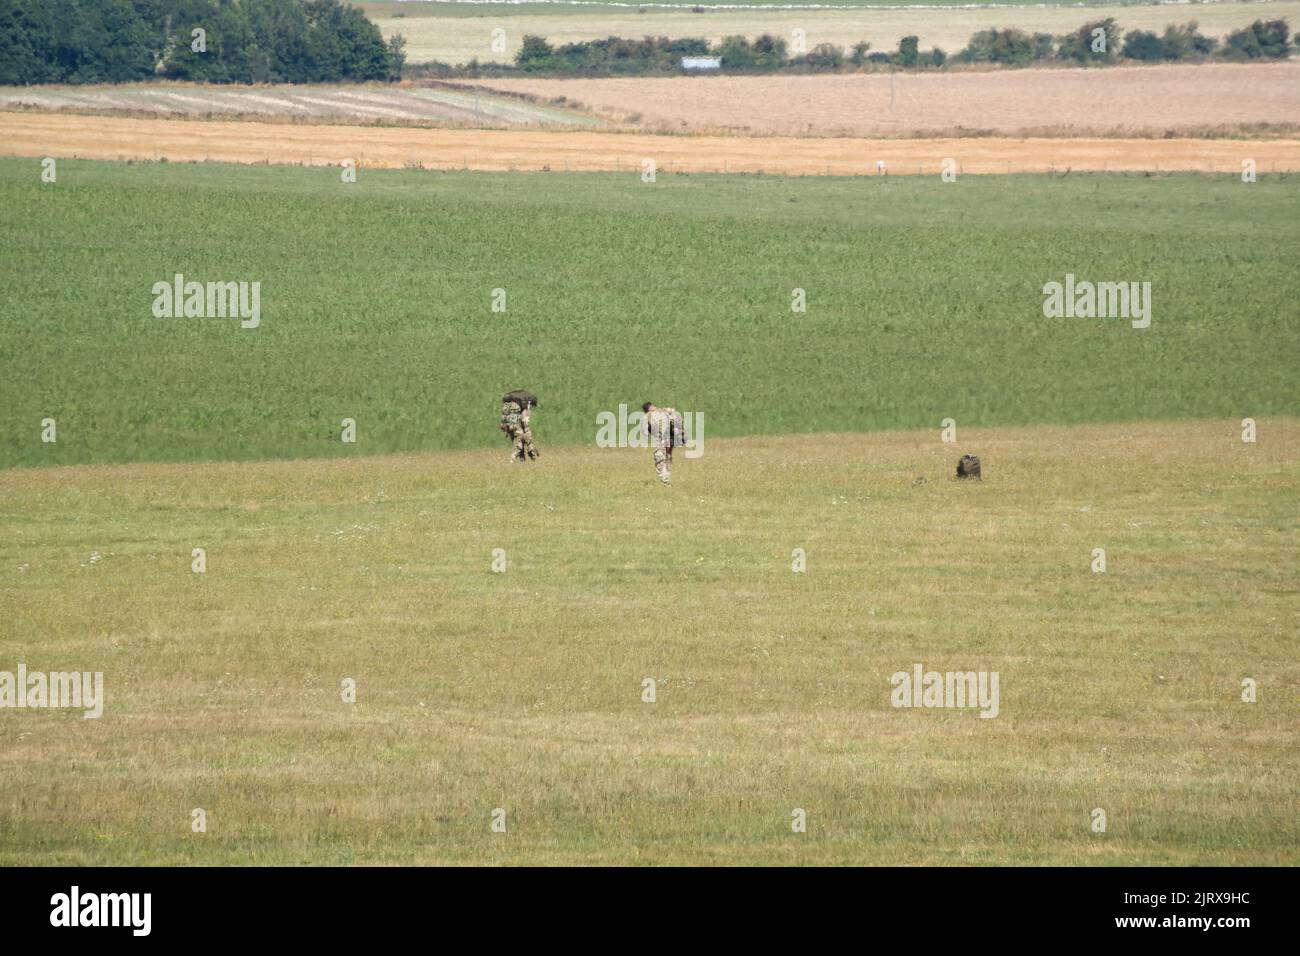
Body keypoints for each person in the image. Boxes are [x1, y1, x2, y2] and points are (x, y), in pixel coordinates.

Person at [641, 402, 683, 485]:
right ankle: (667, 476)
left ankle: (665, 481)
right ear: (651, 407)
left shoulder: (649, 415)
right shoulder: (664, 410)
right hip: (671, 437)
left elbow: (646, 430)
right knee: (668, 455)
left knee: (659, 457)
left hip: (662, 438)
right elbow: (674, 412)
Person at [500, 396, 539, 462]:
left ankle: (522, 459)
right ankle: (514, 460)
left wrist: (506, 432)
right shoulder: (518, 413)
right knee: (521, 446)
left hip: (513, 431)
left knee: (519, 445)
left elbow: (503, 425)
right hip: (519, 431)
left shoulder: (507, 413)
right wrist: (526, 428)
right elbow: (524, 421)